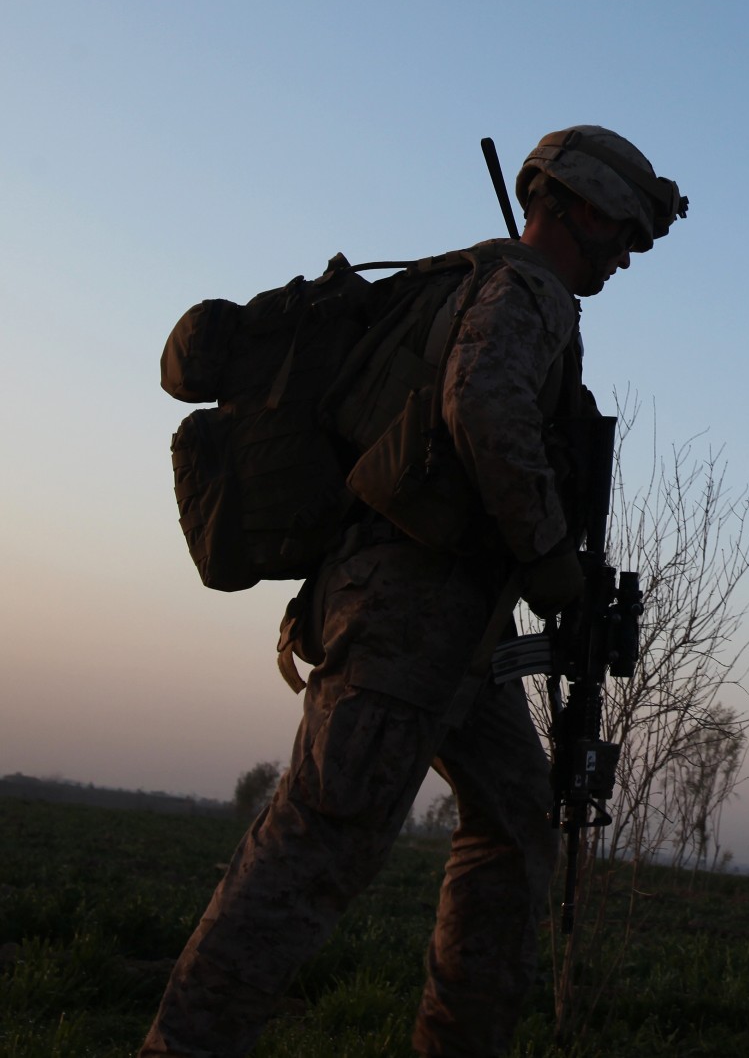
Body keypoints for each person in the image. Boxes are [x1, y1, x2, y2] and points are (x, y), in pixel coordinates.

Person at [140, 125, 687, 1058]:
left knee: (514, 822)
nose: (626, 256)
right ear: (578, 208)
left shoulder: (475, 283)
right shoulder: (527, 290)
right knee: (320, 840)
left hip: (457, 622)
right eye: (624, 232)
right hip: (410, 609)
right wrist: (549, 553)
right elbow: (480, 404)